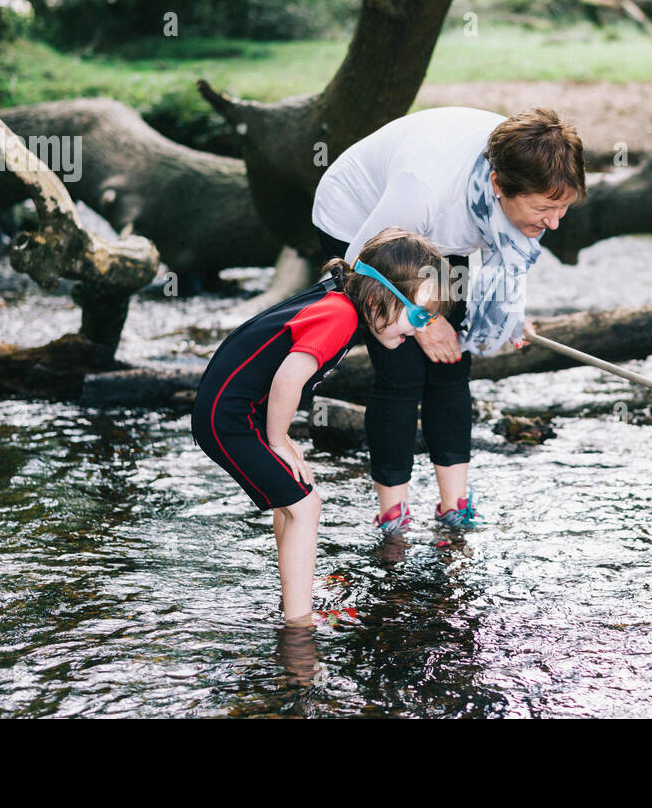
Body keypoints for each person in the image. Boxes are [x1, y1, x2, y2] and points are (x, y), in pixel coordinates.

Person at [312, 106, 586, 535]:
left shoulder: (525, 168)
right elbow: (362, 265)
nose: (553, 221)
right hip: (363, 232)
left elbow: (506, 261)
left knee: (451, 365)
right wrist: (422, 319)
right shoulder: (425, 190)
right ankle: (393, 515)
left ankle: (453, 507)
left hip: (437, 234)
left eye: (563, 207)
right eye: (545, 209)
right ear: (498, 186)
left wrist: (508, 315)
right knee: (400, 373)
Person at [191, 227, 449, 625]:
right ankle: (298, 621)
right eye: (417, 315)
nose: (418, 329)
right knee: (305, 507)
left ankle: (295, 597)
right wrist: (278, 440)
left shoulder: (337, 300)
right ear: (380, 295)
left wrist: (283, 438)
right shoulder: (340, 317)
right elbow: (289, 378)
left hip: (237, 411)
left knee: (295, 498)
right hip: (229, 419)